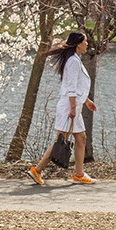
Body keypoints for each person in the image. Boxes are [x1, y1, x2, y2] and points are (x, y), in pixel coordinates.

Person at [28, 31, 97, 185]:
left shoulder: (75, 59)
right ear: (78, 44)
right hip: (69, 106)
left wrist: (86, 101)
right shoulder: (73, 61)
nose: (87, 44)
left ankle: (79, 174)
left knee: (81, 138)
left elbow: (75, 85)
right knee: (61, 140)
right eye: (85, 41)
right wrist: (72, 109)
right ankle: (37, 170)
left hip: (74, 105)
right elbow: (71, 87)